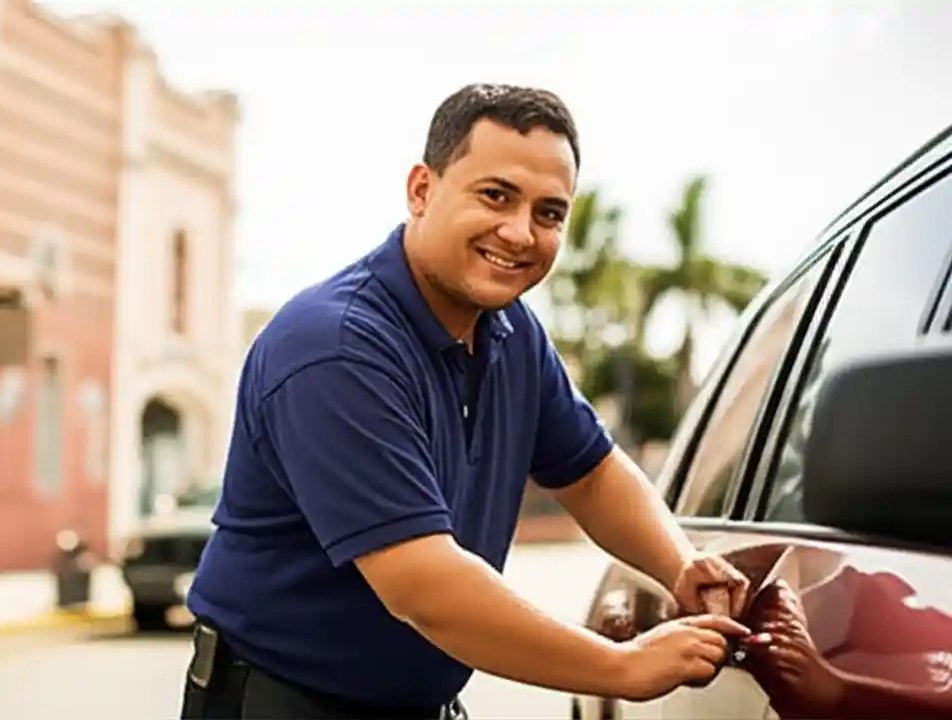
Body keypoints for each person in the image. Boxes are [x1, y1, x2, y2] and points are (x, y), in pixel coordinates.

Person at [179, 83, 752, 720]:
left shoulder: (512, 332)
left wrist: (680, 565)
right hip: (282, 701)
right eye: (496, 195)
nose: (520, 232)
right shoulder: (334, 347)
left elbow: (589, 473)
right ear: (422, 190)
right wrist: (620, 666)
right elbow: (424, 587)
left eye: (549, 213)